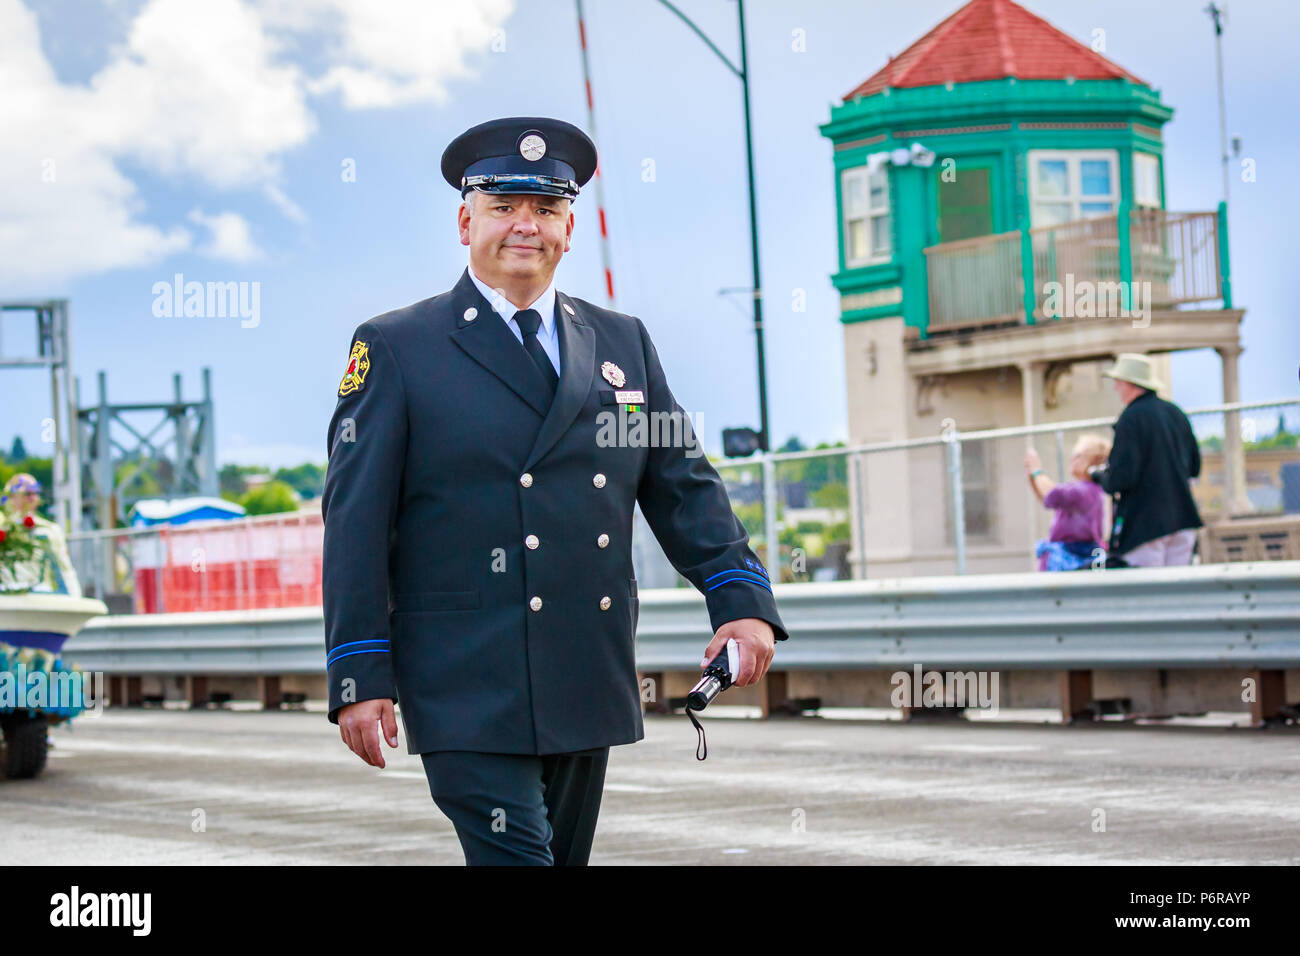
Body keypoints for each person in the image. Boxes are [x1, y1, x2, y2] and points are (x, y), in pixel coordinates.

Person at [320, 116, 788, 866]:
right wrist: (358, 670)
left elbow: (682, 484)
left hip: (582, 668)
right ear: (465, 220)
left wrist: (741, 602)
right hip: (464, 681)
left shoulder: (621, 342)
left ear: (571, 226)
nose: (525, 226)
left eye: (545, 209)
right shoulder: (397, 347)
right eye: (504, 206)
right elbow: (354, 522)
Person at [1087, 353, 1203, 567]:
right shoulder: (1175, 413)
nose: (1115, 388)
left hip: (1145, 526)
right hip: (1183, 519)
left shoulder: (1130, 418)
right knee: (1178, 591)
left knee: (1149, 593)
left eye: (1118, 382)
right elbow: (1195, 466)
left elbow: (1120, 479)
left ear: (1129, 383)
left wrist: (1098, 475)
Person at [1024, 436, 1110, 571]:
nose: (1072, 459)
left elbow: (1053, 494)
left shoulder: (1085, 491)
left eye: (1077, 455)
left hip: (1073, 559)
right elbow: (1047, 499)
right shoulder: (1090, 490)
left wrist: (1037, 470)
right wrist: (1032, 477)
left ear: (1091, 461)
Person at [0, 473, 77, 595]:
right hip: (6, 595)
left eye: (35, 492)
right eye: (26, 493)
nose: (32, 497)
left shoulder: (48, 531)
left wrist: (74, 600)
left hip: (38, 595)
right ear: (11, 497)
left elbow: (63, 570)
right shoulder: (3, 529)